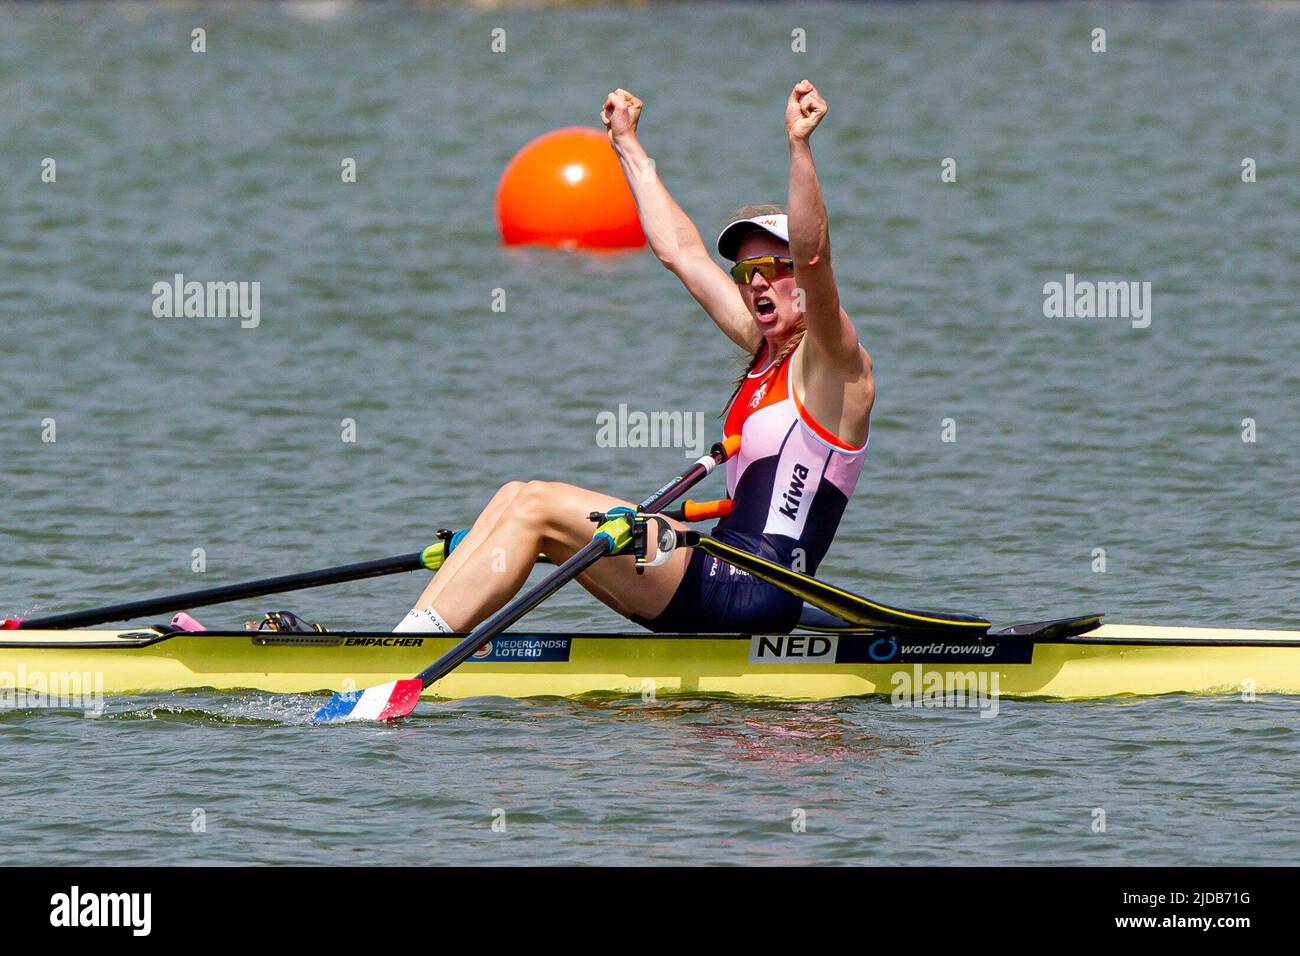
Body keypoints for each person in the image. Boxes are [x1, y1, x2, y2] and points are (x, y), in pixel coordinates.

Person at [396, 80, 874, 636]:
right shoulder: (763, 350)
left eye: (776, 267)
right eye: (747, 274)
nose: (758, 283)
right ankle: (411, 633)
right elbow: (681, 252)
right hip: (718, 569)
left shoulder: (836, 366)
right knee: (515, 497)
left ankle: (405, 649)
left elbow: (814, 256)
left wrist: (799, 146)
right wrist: (627, 144)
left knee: (541, 505)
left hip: (759, 590)